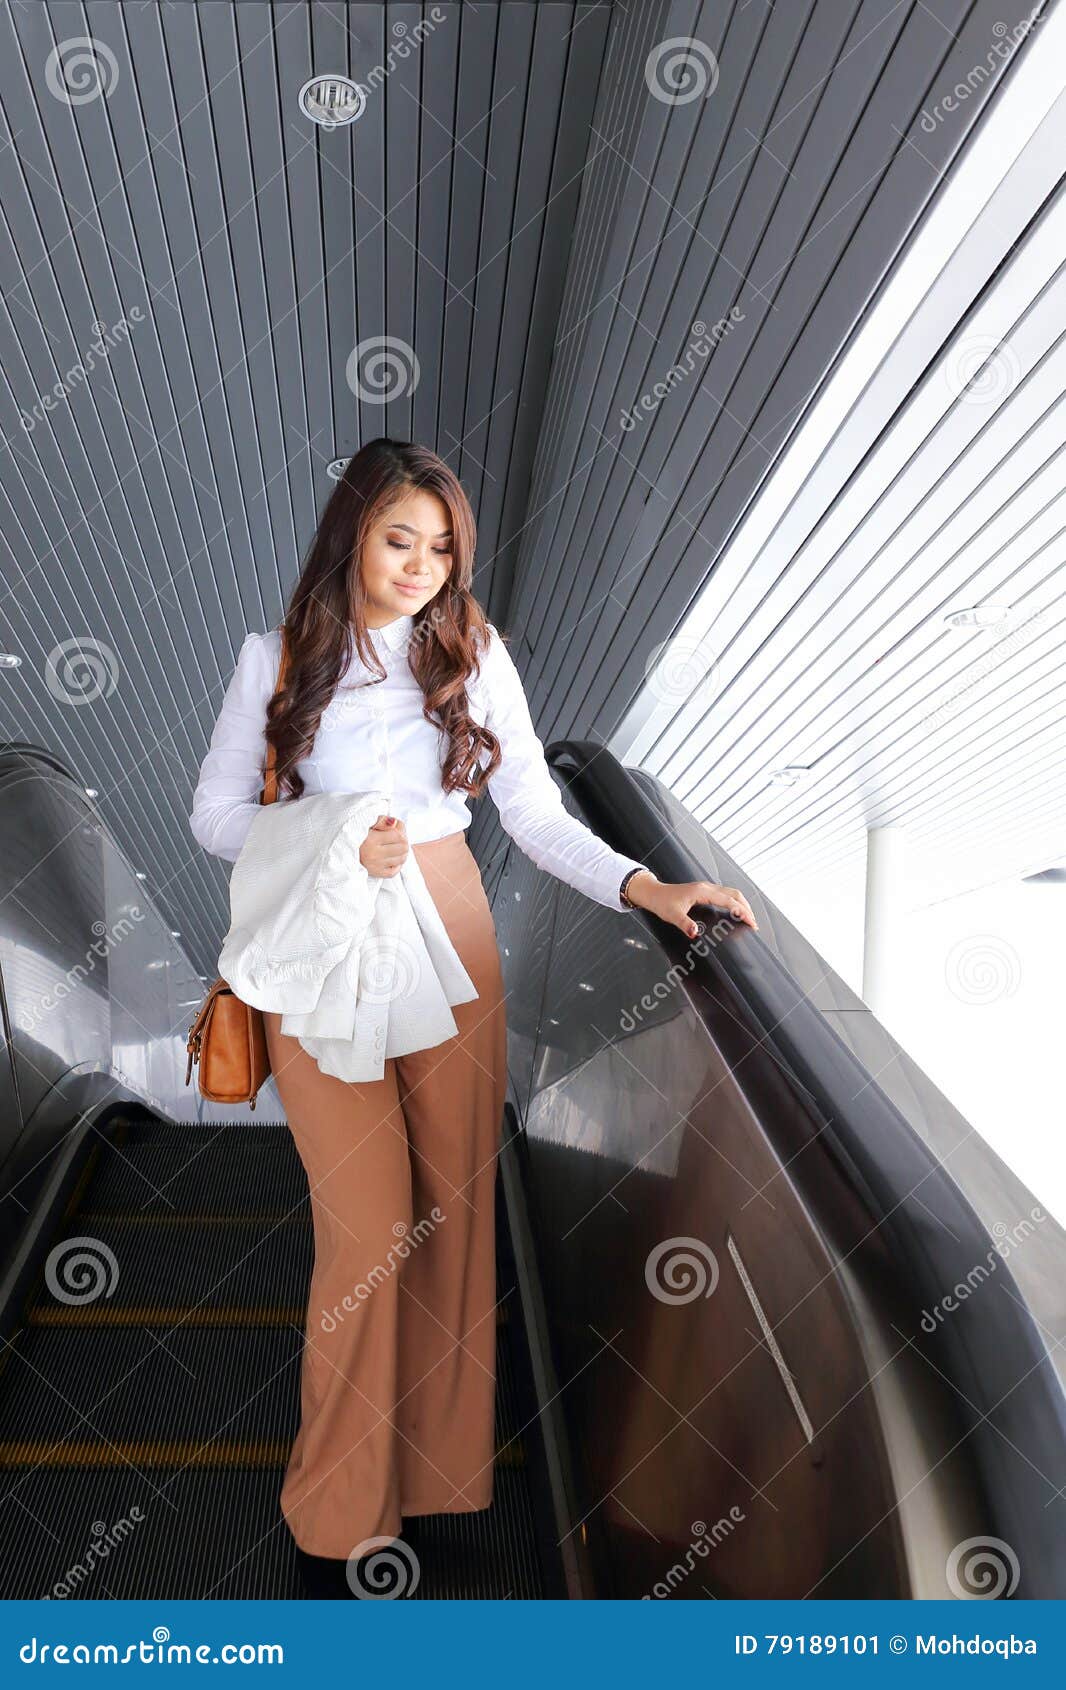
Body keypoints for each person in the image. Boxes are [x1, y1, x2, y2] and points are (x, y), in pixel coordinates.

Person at [189, 438, 757, 1596]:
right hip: (328, 933)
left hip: (450, 928)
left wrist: (645, 885)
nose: (419, 566)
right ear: (352, 528)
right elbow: (210, 817)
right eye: (400, 538)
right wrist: (333, 832)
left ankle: (430, 1479)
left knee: (452, 1221)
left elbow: (535, 813)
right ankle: (338, 1507)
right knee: (365, 1230)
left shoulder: (472, 649)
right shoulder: (276, 654)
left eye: (441, 547)